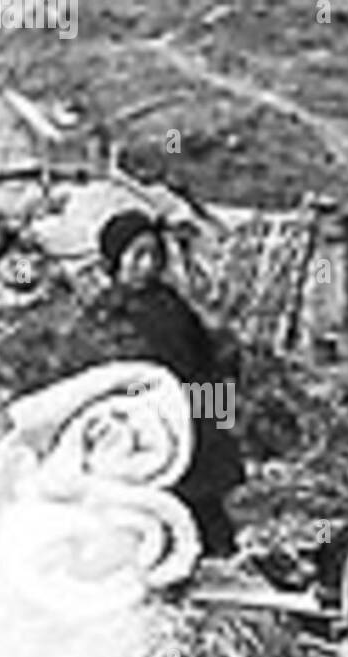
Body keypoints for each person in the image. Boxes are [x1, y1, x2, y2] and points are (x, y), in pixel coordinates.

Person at [90, 210, 244, 556]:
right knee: (161, 504)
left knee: (206, 498)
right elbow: (109, 375)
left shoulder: (169, 302)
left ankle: (220, 556)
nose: (147, 265)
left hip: (196, 409)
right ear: (115, 261)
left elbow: (205, 356)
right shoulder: (109, 312)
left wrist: (220, 416)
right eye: (137, 255)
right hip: (149, 422)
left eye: (154, 255)